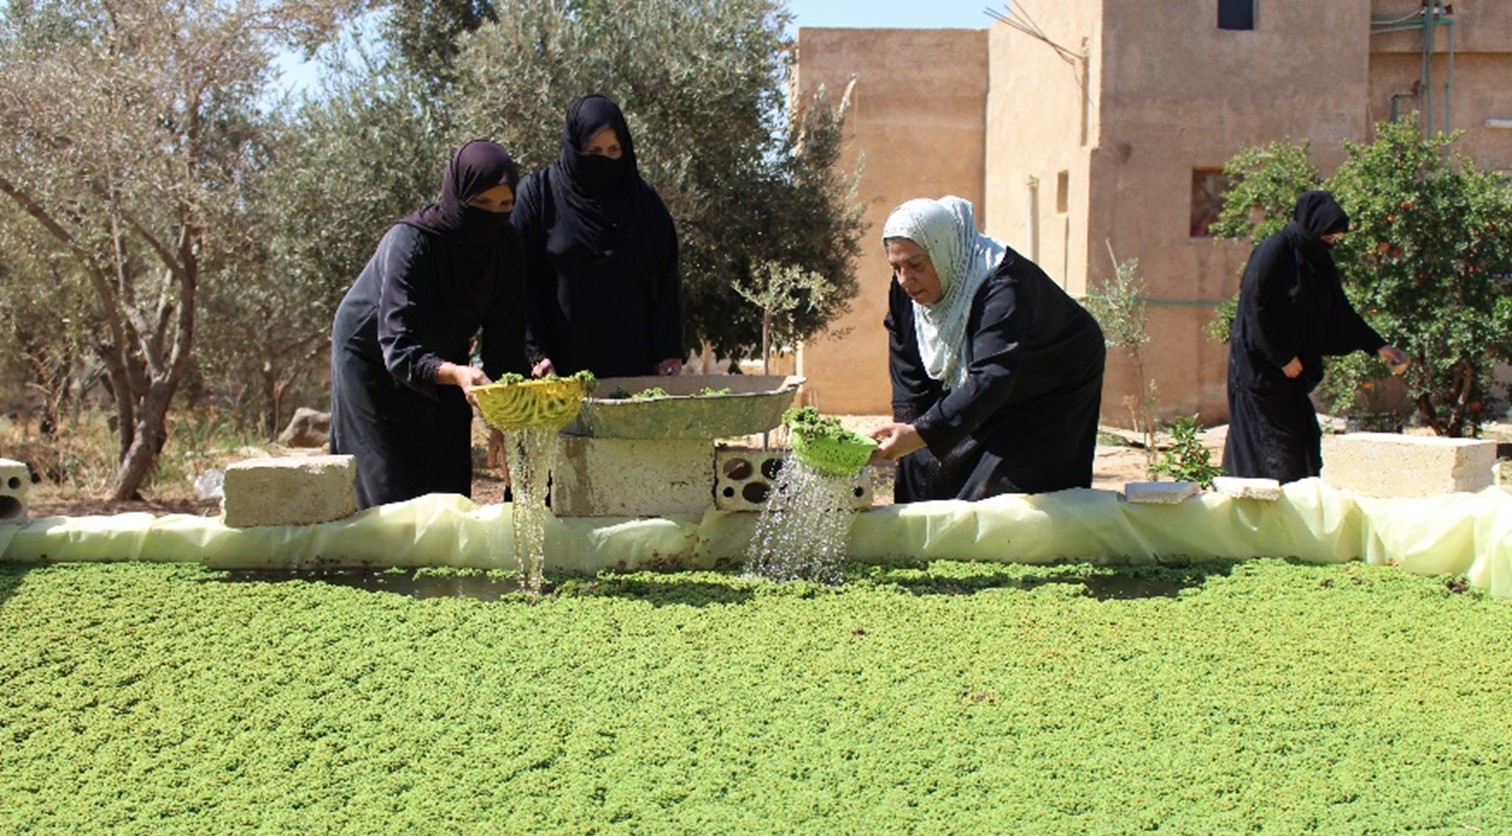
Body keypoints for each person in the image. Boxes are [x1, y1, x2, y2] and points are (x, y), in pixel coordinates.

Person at [329, 139, 529, 509]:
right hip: (373, 356)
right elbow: (399, 346)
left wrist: (504, 418)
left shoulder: (507, 247)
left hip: (445, 352)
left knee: (448, 485)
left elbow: (506, 340)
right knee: (389, 490)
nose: (493, 215)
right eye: (482, 203)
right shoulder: (411, 241)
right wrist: (455, 373)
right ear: (457, 196)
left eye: (505, 205)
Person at [870, 196, 1107, 502]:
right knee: (922, 463)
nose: (905, 279)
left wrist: (922, 433)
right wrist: (909, 426)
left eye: (916, 264)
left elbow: (992, 377)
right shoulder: (906, 289)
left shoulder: (1004, 285)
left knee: (1010, 490)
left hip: (1053, 376)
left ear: (945, 251)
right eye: (896, 267)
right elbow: (907, 362)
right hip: (988, 378)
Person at [1223, 190, 1409, 483]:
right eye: (1328, 238)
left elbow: (1341, 313)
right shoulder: (1274, 250)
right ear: (1313, 226)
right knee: (1270, 451)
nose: (1330, 245)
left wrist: (1379, 346)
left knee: (1302, 441)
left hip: (1292, 375)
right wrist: (1281, 355)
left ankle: (1292, 520)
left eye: (1334, 240)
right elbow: (1253, 306)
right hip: (1260, 373)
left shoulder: (1319, 262)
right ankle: (1260, 519)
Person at [510, 94, 684, 379]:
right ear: (574, 146)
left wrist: (668, 351)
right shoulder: (538, 195)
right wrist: (534, 353)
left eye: (613, 151)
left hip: (632, 371)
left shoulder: (643, 202)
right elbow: (516, 282)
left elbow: (667, 277)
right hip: (554, 372)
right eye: (593, 151)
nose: (604, 160)